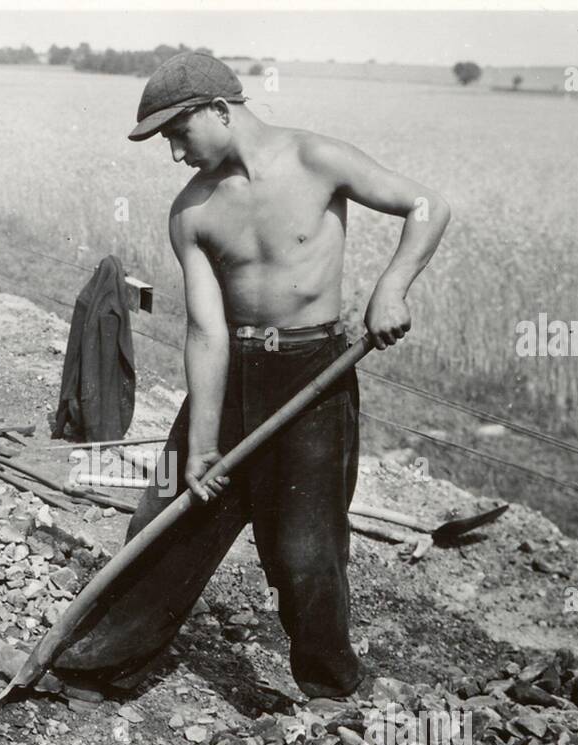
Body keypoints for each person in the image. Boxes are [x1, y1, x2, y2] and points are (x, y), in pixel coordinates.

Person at [51, 53, 450, 701]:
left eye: (178, 134)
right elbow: (206, 331)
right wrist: (203, 441)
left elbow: (429, 205)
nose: (175, 154)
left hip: (313, 372)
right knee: (165, 521)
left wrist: (393, 287)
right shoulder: (192, 213)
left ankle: (329, 685)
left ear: (217, 109)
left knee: (305, 545)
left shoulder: (316, 161)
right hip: (235, 371)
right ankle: (101, 664)